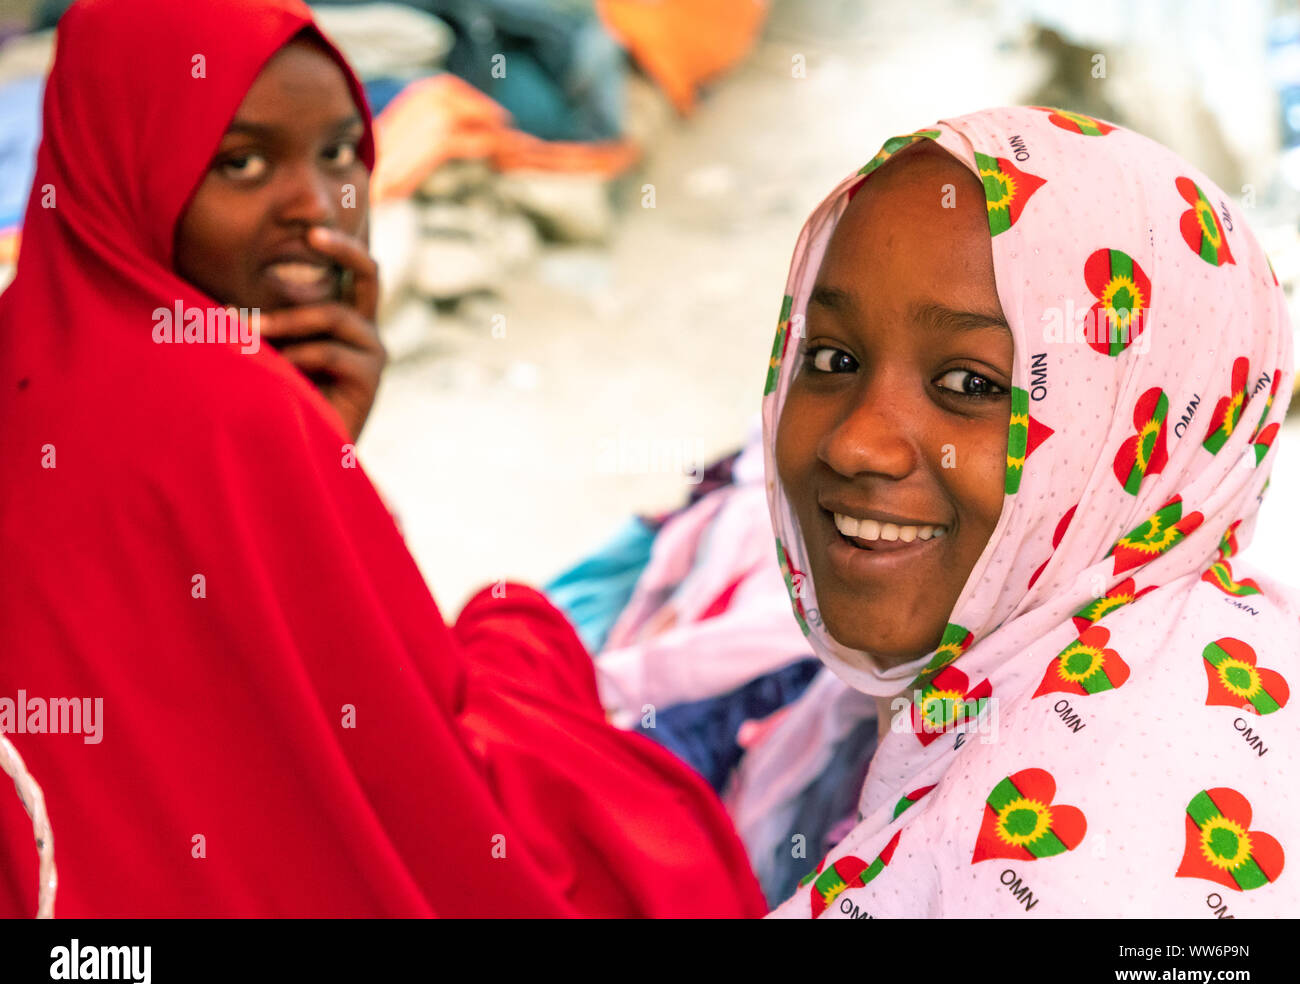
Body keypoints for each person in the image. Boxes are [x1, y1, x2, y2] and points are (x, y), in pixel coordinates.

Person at [0, 0, 765, 918]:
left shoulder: (40, 355)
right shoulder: (231, 410)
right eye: (241, 163)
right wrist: (515, 636)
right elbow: (421, 765)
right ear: (123, 163)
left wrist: (320, 453)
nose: (315, 209)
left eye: (338, 155)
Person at [760, 107, 1297, 916]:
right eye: (833, 359)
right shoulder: (1217, 636)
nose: (858, 445)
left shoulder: (1064, 877)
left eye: (971, 384)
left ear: (1141, 432)